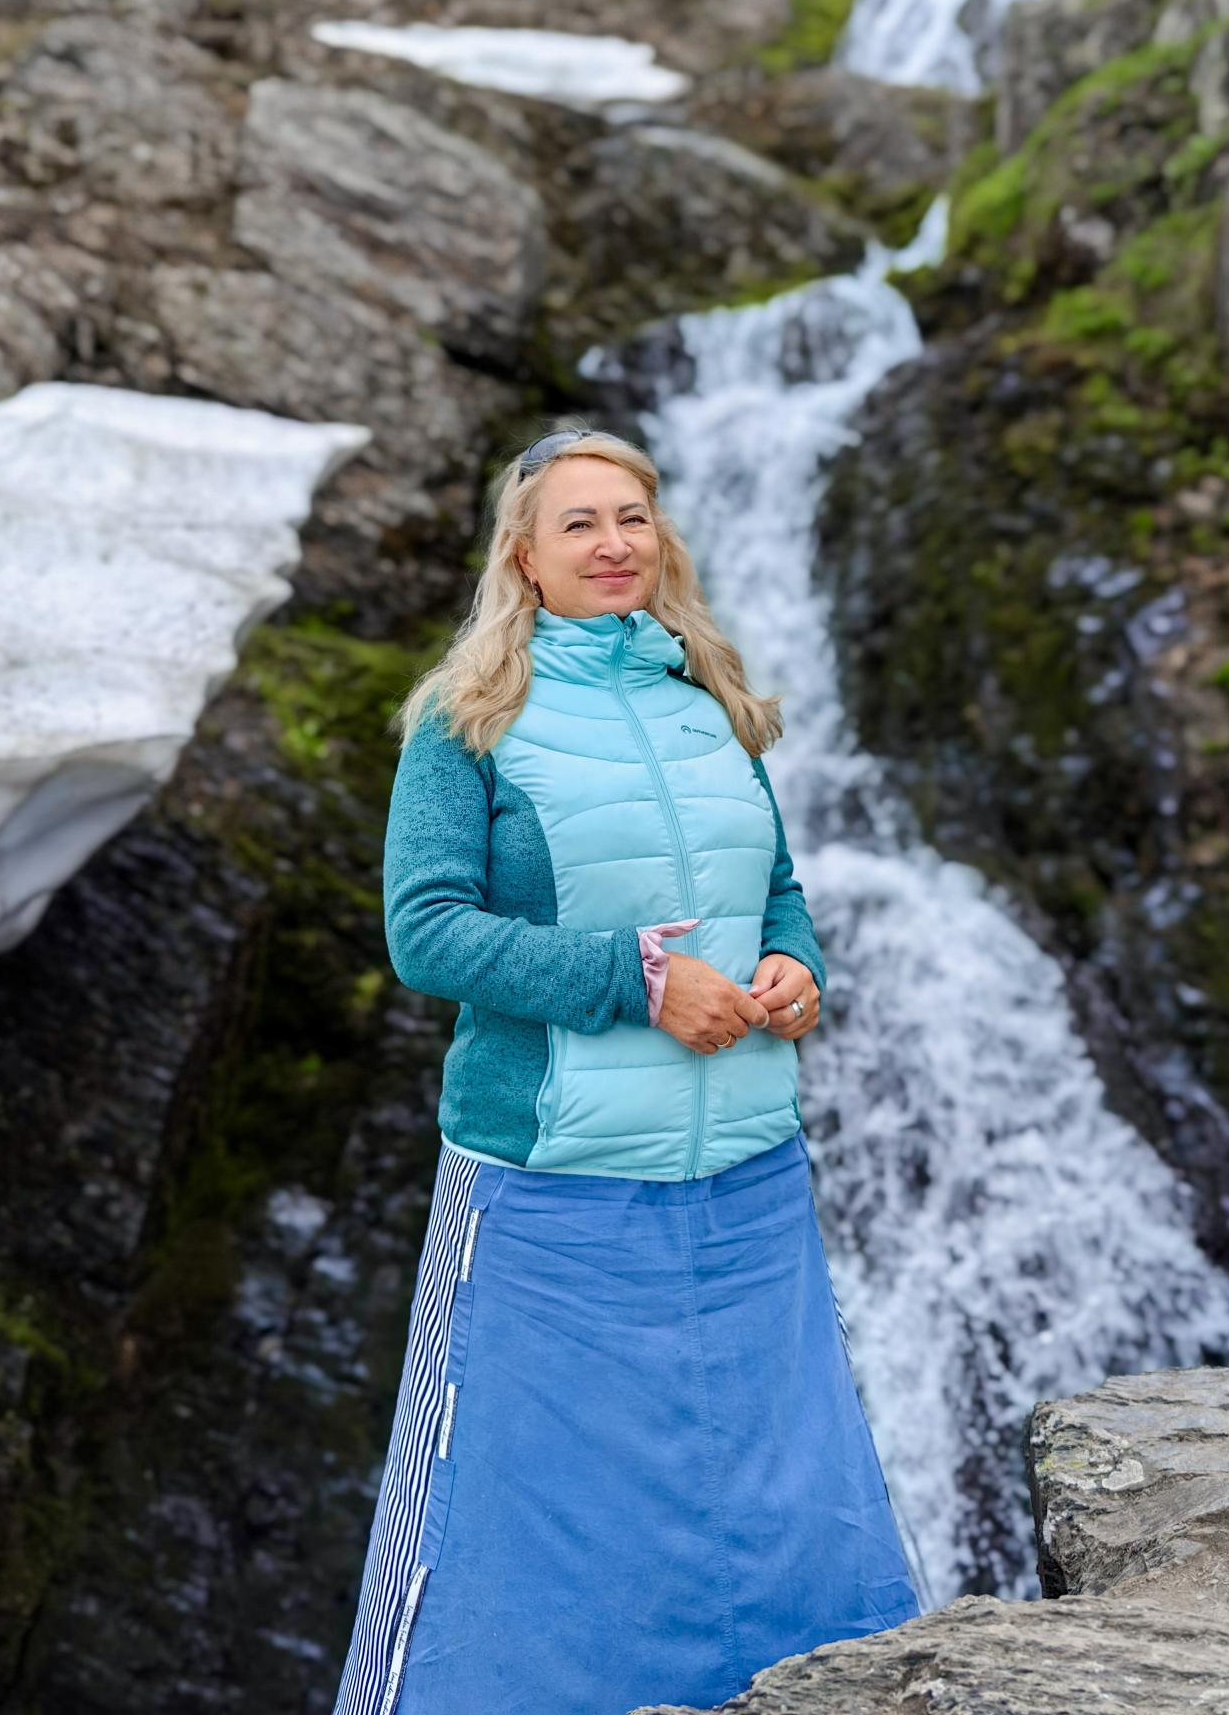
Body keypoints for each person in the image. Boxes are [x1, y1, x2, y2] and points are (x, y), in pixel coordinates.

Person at [330, 426, 920, 1715]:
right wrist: (638, 979)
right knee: (515, 1514)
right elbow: (426, 932)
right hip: (550, 1189)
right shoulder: (465, 718)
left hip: (748, 1181)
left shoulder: (713, 700)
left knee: (774, 1486)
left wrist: (793, 969)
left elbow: (774, 890)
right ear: (526, 559)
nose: (613, 544)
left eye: (634, 518)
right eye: (581, 524)